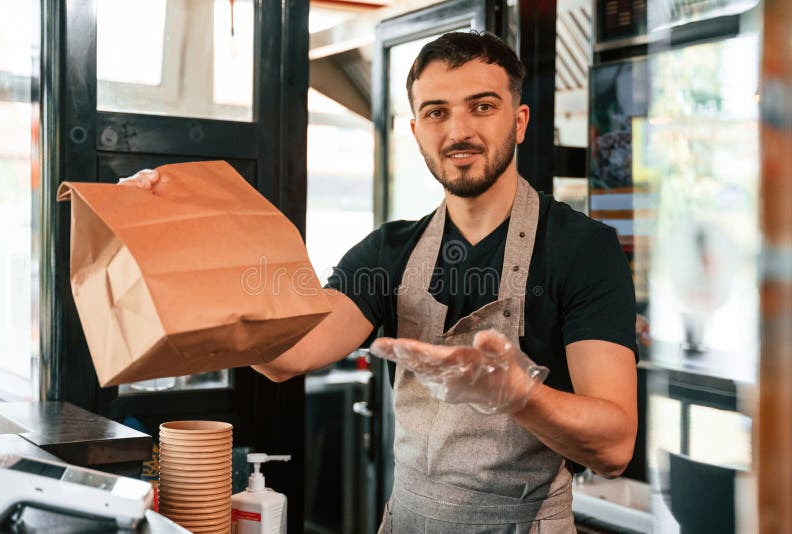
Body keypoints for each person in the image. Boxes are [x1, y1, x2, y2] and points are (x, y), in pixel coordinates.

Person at [122, 31, 637, 534]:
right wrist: (174, 236)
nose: (459, 130)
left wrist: (518, 394)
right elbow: (285, 356)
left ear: (519, 121)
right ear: (415, 132)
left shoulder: (582, 249)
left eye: (482, 106)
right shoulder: (388, 254)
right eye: (436, 112)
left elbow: (614, 446)